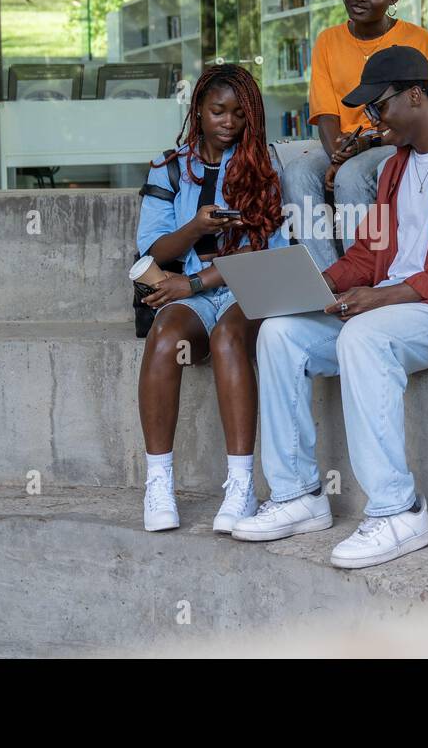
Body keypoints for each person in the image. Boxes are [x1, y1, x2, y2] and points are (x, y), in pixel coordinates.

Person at [233, 46, 428, 569]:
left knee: (363, 336)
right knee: (279, 332)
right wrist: (317, 286)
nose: (371, 119)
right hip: (393, 305)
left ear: (416, 96)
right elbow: (368, 254)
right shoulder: (394, 169)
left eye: (378, 106)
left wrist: (379, 298)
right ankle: (297, 495)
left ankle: (399, 512)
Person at [135, 64, 287, 534]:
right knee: (164, 335)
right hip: (193, 292)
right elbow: (154, 250)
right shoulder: (169, 167)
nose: (228, 122)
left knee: (228, 336)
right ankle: (158, 482)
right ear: (198, 109)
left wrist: (195, 283)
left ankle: (240, 486)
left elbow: (263, 251)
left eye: (239, 114)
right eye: (217, 110)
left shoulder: (264, 165)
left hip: (247, 287)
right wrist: (196, 228)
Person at [280, 0, 428, 269]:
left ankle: (364, 277)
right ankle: (327, 280)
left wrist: (352, 155)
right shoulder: (327, 41)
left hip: (394, 141)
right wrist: (335, 156)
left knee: (353, 175)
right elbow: (327, 114)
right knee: (297, 171)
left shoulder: (417, 40)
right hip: (345, 143)